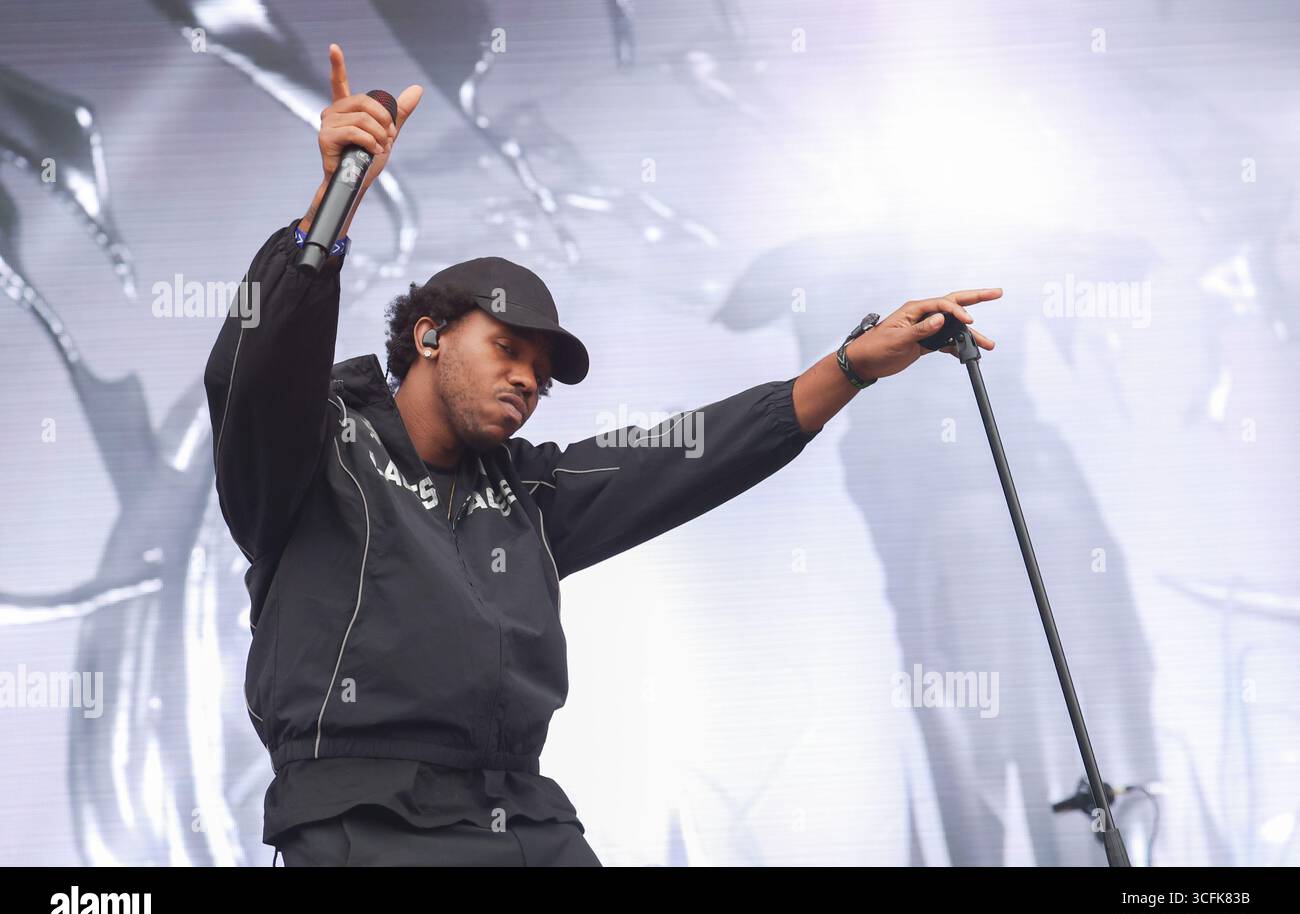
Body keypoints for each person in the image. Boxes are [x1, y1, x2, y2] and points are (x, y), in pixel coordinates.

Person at [203, 43, 999, 867]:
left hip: (522, 816)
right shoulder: (317, 449)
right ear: (429, 336)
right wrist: (331, 208)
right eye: (508, 348)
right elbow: (256, 373)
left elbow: (686, 456)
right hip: (364, 817)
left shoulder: (528, 494)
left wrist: (851, 364)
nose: (525, 380)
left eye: (542, 377)